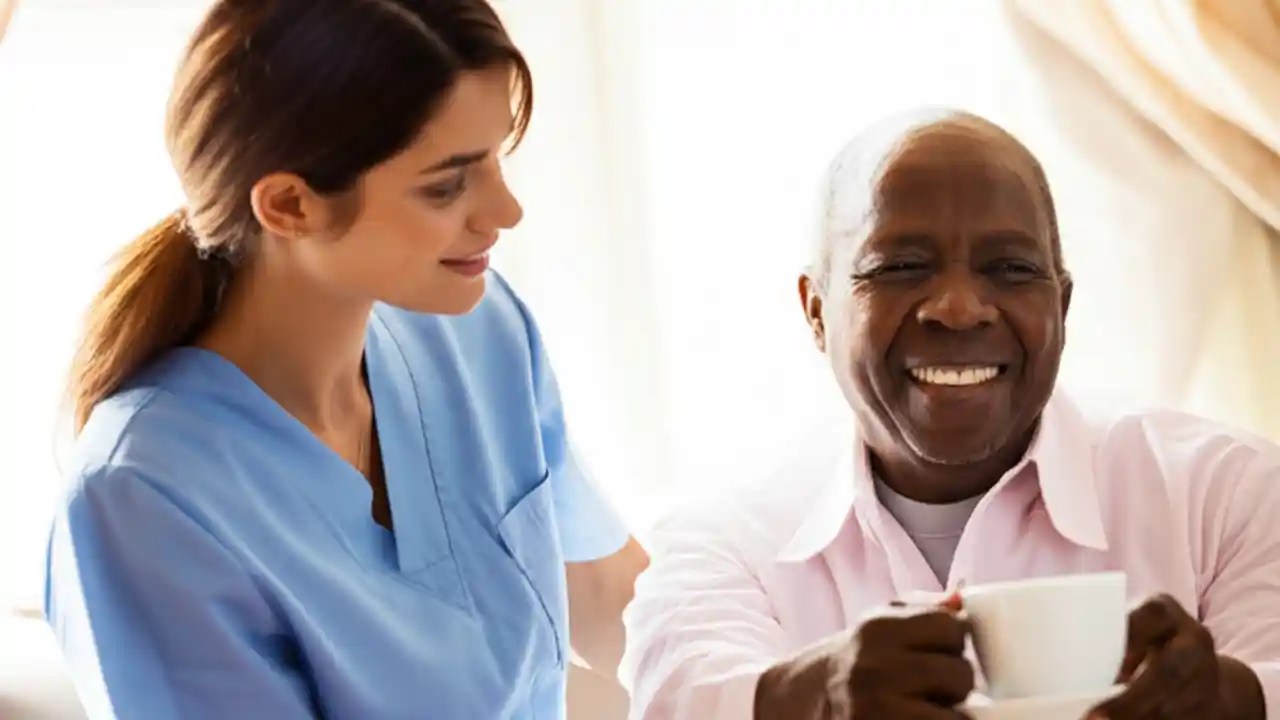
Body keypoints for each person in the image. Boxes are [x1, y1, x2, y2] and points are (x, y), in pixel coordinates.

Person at [43, 1, 648, 718]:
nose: (505, 210)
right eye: (448, 185)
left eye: (495, 158)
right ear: (290, 205)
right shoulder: (144, 504)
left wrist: (772, 685)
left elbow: (610, 597)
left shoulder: (482, 334)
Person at [619, 108, 1279, 719]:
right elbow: (678, 686)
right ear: (816, 310)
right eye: (901, 266)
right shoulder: (724, 544)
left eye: (1011, 268)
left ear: (1063, 306)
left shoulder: (1229, 495)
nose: (960, 308)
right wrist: (816, 699)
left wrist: (1237, 700)